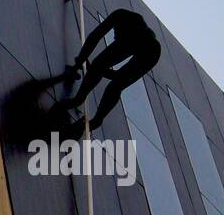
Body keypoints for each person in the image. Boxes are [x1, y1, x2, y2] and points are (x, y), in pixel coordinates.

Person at [52, 7, 161, 135]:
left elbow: (117, 78)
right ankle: (79, 99)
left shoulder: (144, 47)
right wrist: (80, 62)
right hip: (134, 38)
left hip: (148, 53)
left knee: (114, 86)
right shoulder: (120, 16)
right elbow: (95, 36)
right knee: (100, 63)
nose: (114, 37)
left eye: (118, 37)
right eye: (116, 35)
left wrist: (93, 67)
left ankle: (97, 120)